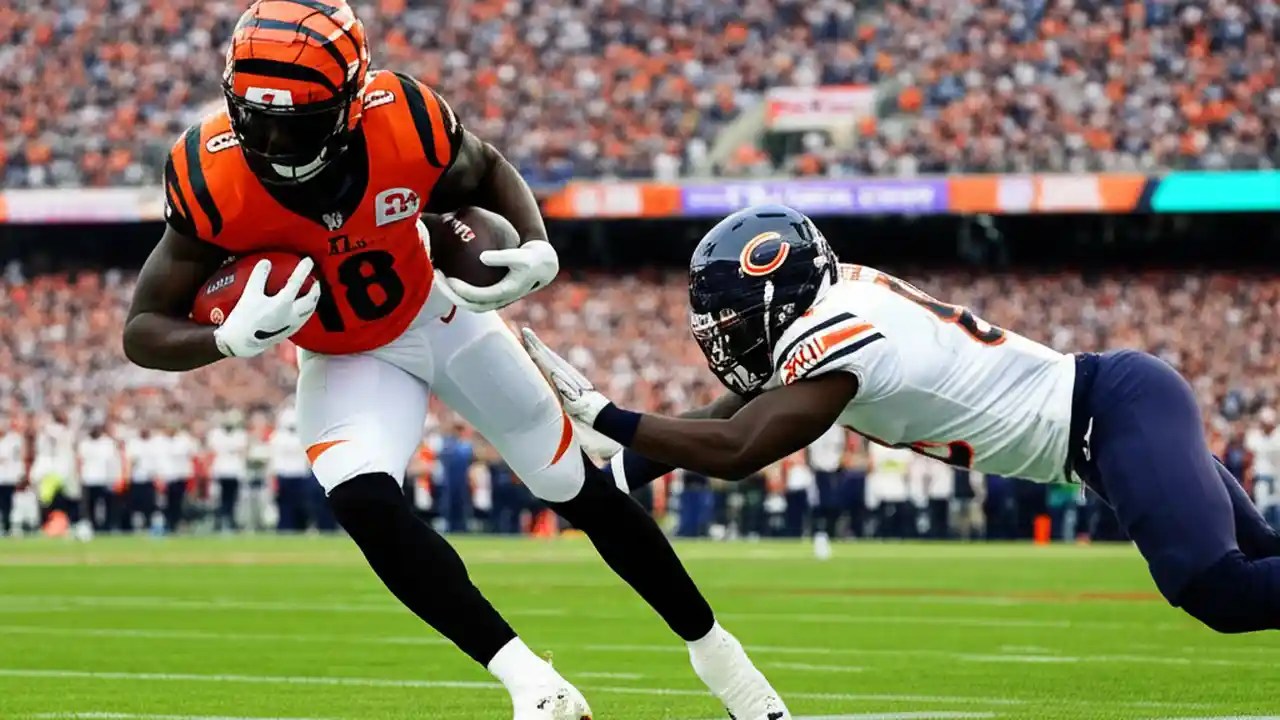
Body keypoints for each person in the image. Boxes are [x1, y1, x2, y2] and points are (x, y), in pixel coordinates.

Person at [119, 4, 785, 718]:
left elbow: (487, 170)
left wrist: (535, 241)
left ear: (350, 104)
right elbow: (142, 329)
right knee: (363, 501)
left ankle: (726, 663)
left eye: (300, 122)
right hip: (344, 358)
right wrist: (221, 340)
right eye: (258, 119)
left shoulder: (403, 119)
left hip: (438, 317)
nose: (276, 142)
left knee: (573, 486)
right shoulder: (210, 174)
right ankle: (534, 684)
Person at [525, 203, 1280, 634]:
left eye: (734, 319)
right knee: (1262, 561)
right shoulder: (836, 301)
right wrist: (607, 479)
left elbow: (737, 448)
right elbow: (729, 412)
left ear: (779, 295)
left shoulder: (839, 336)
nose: (726, 339)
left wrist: (609, 414)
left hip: (1112, 416)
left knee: (1218, 591)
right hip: (1107, 423)